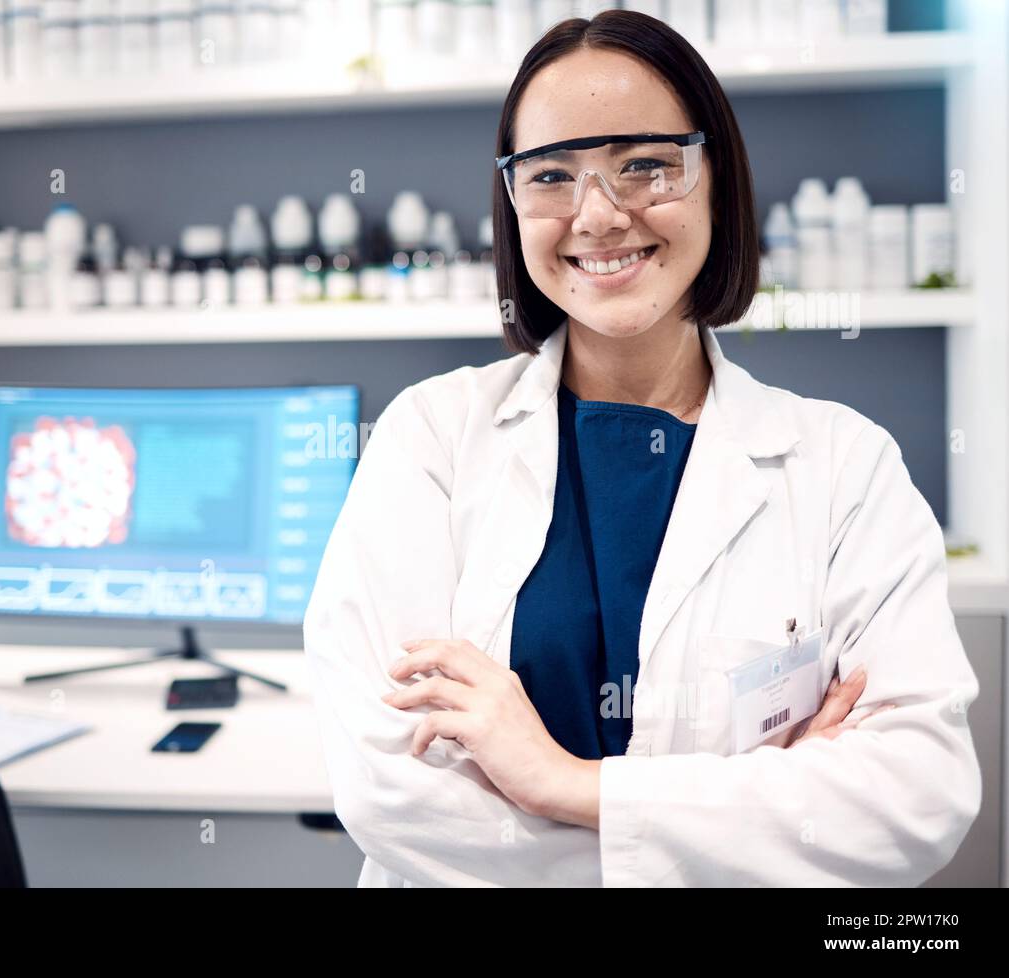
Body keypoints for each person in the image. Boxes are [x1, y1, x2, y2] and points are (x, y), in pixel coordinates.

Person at [302, 10, 981, 887]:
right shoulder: (430, 440)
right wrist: (741, 822)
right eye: (552, 176)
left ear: (716, 181)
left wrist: (564, 782)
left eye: (646, 166)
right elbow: (390, 790)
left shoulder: (846, 468)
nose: (598, 214)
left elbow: (917, 797)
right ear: (513, 204)